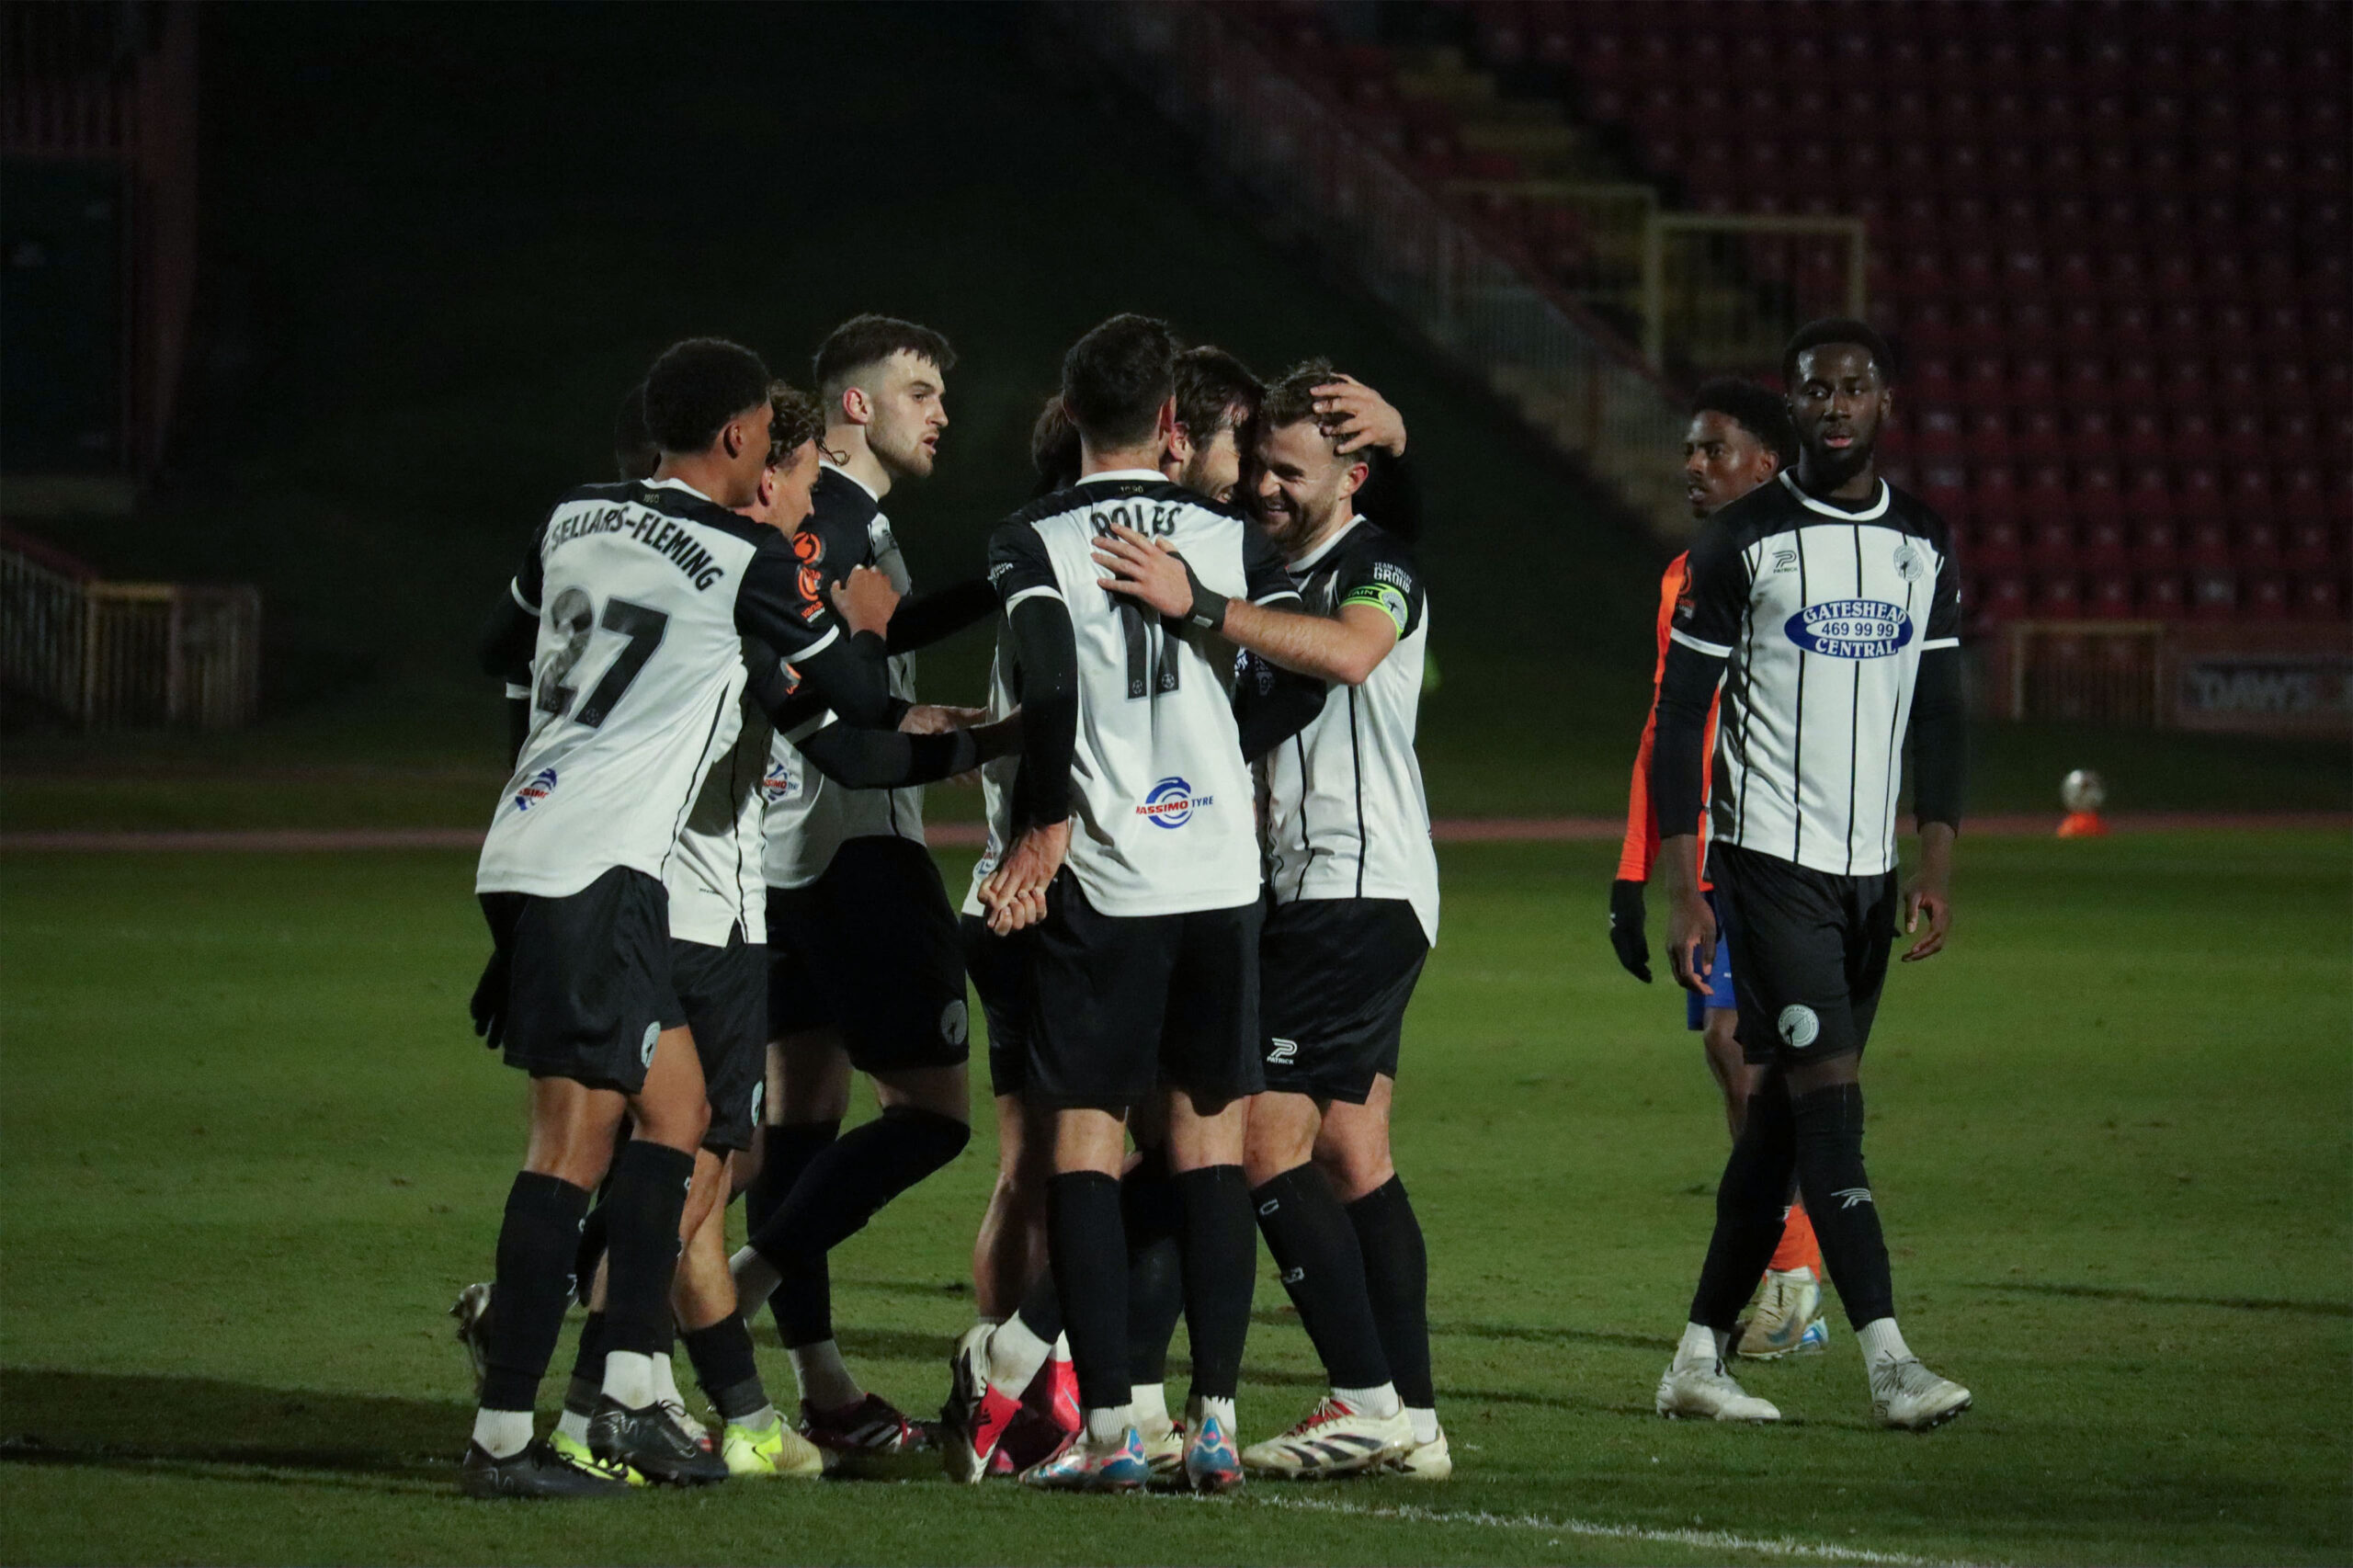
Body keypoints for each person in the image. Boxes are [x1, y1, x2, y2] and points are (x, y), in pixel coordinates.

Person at [458, 337, 897, 1498]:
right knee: (572, 1144)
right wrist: (854, 615)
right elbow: (858, 697)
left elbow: (503, 649)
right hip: (598, 862)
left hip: (536, 843)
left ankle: (619, 1394)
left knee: (684, 1114)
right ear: (742, 436)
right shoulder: (744, 555)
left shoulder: (574, 515)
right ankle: (506, 1438)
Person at [966, 313, 1321, 1492]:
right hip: (1218, 875)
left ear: (1070, 413)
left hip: (1106, 880)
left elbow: (1049, 671)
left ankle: (1115, 1429)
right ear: (1172, 420)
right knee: (1209, 1145)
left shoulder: (1031, 536)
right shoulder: (1227, 540)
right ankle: (1215, 1420)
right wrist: (1218, 741)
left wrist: (1046, 816)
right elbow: (1304, 668)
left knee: (1083, 1144)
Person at [1092, 358, 1445, 1480]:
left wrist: (1201, 607)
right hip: (1313, 889)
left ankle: (1364, 1397)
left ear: (1352, 475)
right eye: (1262, 467)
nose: (1267, 489)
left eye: (1292, 472)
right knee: (1351, 1150)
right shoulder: (1266, 566)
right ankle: (1415, 1418)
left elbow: (1350, 652)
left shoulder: (1375, 566)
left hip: (1353, 885)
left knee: (1248, 1142)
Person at [1649, 320, 1972, 1431]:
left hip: (1867, 878)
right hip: (1768, 869)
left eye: (1853, 387)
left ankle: (1696, 1355)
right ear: (1791, 407)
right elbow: (1678, 720)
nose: (1834, 406)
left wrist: (1935, 858)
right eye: (1814, 390)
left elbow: (1940, 711)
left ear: (1885, 401)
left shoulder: (1922, 542)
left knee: (1781, 1129)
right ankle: (1890, 1360)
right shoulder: (1740, 542)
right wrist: (1683, 885)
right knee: (1832, 1111)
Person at [731, 315, 999, 1458]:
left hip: (780, 854)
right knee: (931, 1115)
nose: (940, 412)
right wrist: (958, 736)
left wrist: (987, 594)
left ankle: (823, 1385)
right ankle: (717, 1291)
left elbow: (852, 651)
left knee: (792, 1127)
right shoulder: (832, 514)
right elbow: (833, 684)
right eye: (919, 391)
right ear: (855, 404)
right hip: (855, 846)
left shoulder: (844, 522)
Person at [1609, 381, 1830, 1361]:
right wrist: (1639, 872)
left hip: (1793, 851)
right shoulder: (1688, 574)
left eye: (1714, 450)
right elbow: (1669, 730)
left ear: (1767, 464)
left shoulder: (1818, 568)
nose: (1692, 467)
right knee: (1738, 1057)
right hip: (1714, 856)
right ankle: (1789, 1275)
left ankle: (1797, 1278)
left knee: (1766, 1061)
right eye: (1689, 451)